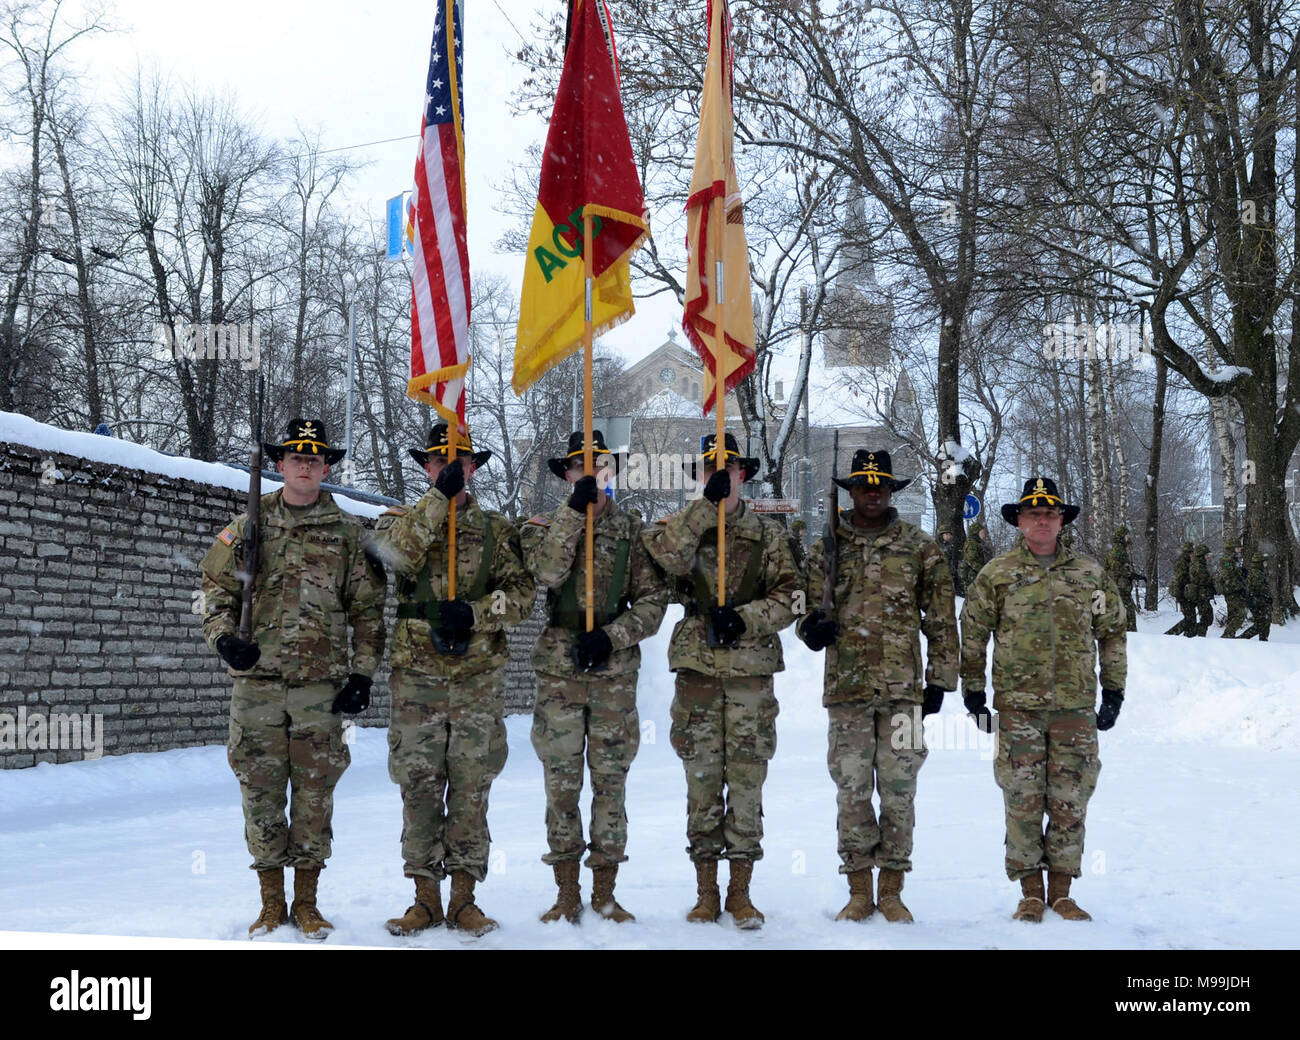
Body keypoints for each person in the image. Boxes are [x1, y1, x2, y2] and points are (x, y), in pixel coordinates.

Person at [200, 419, 386, 940]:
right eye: (295, 457)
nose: (305, 465)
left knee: (314, 795)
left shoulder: (350, 533)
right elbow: (215, 596)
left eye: (315, 458)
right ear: (279, 464)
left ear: (327, 468)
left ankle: (306, 902)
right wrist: (223, 639)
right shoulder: (246, 527)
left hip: (318, 690)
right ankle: (269, 903)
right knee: (259, 792)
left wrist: (362, 676)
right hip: (256, 686)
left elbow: (368, 614)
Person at [371, 423, 535, 937]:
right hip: (418, 678)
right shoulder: (398, 520)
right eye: (441, 463)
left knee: (471, 787)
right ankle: (424, 898)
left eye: (459, 462)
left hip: (477, 677)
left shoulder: (497, 531)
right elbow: (395, 557)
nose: (450, 470)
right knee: (419, 786)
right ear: (427, 467)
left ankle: (464, 899)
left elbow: (523, 596)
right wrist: (436, 505)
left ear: (474, 467)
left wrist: (479, 613)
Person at [642, 432, 801, 929]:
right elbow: (665, 560)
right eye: (710, 470)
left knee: (748, 782)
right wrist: (700, 514)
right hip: (698, 674)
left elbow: (793, 598)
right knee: (702, 784)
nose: (719, 477)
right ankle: (706, 891)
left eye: (727, 469)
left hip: (751, 674)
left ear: (743, 474)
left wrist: (748, 618)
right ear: (698, 477)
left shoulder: (769, 536)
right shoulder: (680, 528)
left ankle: (741, 892)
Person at [798, 449, 958, 922]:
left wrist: (940, 679)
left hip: (904, 693)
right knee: (851, 790)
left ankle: (892, 887)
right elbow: (803, 602)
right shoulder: (827, 544)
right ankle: (858, 888)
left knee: (899, 789)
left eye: (880, 485)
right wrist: (810, 628)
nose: (872, 492)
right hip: (846, 690)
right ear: (850, 491)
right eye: (864, 485)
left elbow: (942, 616)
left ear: (891, 491)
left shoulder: (918, 545)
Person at [959, 477, 1126, 923]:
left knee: (1071, 799)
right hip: (1018, 708)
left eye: (1050, 514)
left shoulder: (1089, 574)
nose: (1042, 521)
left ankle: (1062, 891)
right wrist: (972, 691)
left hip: (1074, 707)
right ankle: (1030, 890)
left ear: (1061, 521)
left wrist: (1114, 690)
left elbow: (1111, 633)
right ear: (1019, 520)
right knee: (1023, 799)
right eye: (1033, 514)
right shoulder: (996, 574)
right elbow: (973, 634)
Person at [520, 430, 668, 923]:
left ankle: (605, 890)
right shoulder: (543, 526)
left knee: (610, 784)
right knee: (561, 784)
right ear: (566, 474)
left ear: (611, 472)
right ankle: (565, 890)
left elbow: (652, 603)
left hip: (612, 673)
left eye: (599, 466)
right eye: (579, 466)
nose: (590, 473)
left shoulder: (633, 532)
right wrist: (570, 515)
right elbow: (545, 573)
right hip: (560, 672)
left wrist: (613, 637)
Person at [1105, 526, 1139, 633]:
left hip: (1119, 587)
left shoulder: (1118, 549)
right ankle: (1132, 638)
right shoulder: (1118, 550)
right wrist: (1129, 574)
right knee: (1129, 616)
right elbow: (1116, 566)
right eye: (1126, 536)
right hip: (1120, 587)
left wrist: (1131, 574)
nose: (1128, 538)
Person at [1239, 553, 1273, 641]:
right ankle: (1241, 639)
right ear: (1259, 563)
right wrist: (1265, 596)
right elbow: (1257, 588)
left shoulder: (1259, 572)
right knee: (1261, 624)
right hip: (1257, 602)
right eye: (1264, 562)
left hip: (1260, 601)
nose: (1266, 564)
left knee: (1265, 622)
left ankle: (1263, 640)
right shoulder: (1256, 573)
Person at [1164, 542, 1196, 635]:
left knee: (1191, 618)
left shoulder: (1187, 562)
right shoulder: (1182, 562)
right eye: (1190, 553)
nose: (1192, 555)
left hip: (1187, 593)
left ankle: (1188, 635)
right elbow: (1181, 578)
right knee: (1189, 618)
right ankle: (1171, 634)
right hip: (1182, 593)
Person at [1219, 541, 1247, 638]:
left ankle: (1229, 636)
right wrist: (1240, 586)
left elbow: (1235, 574)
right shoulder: (1227, 559)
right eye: (1237, 547)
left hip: (1234, 590)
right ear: (1232, 548)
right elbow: (1228, 577)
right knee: (1240, 614)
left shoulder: (1234, 559)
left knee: (1233, 615)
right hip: (1231, 591)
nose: (1240, 549)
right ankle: (1227, 635)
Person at [1189, 544, 1214, 636]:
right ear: (1201, 555)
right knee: (1206, 617)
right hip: (1201, 594)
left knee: (1207, 617)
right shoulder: (1199, 565)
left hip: (1202, 594)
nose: (1208, 557)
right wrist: (1212, 580)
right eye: (1206, 555)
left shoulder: (1199, 564)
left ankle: (1195, 633)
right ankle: (1195, 634)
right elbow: (1203, 579)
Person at [937, 522, 963, 596]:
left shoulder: (949, 546)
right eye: (946, 534)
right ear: (941, 535)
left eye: (949, 534)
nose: (948, 536)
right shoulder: (937, 546)